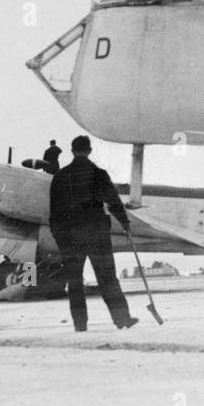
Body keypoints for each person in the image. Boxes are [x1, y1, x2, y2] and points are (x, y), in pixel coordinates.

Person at [49, 135, 138, 332]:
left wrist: (60, 239)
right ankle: (122, 319)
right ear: (89, 150)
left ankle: (80, 325)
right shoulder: (98, 174)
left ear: (72, 151)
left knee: (75, 281)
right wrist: (124, 221)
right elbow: (113, 201)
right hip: (97, 234)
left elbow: (54, 214)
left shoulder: (60, 177)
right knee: (107, 278)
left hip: (70, 237)